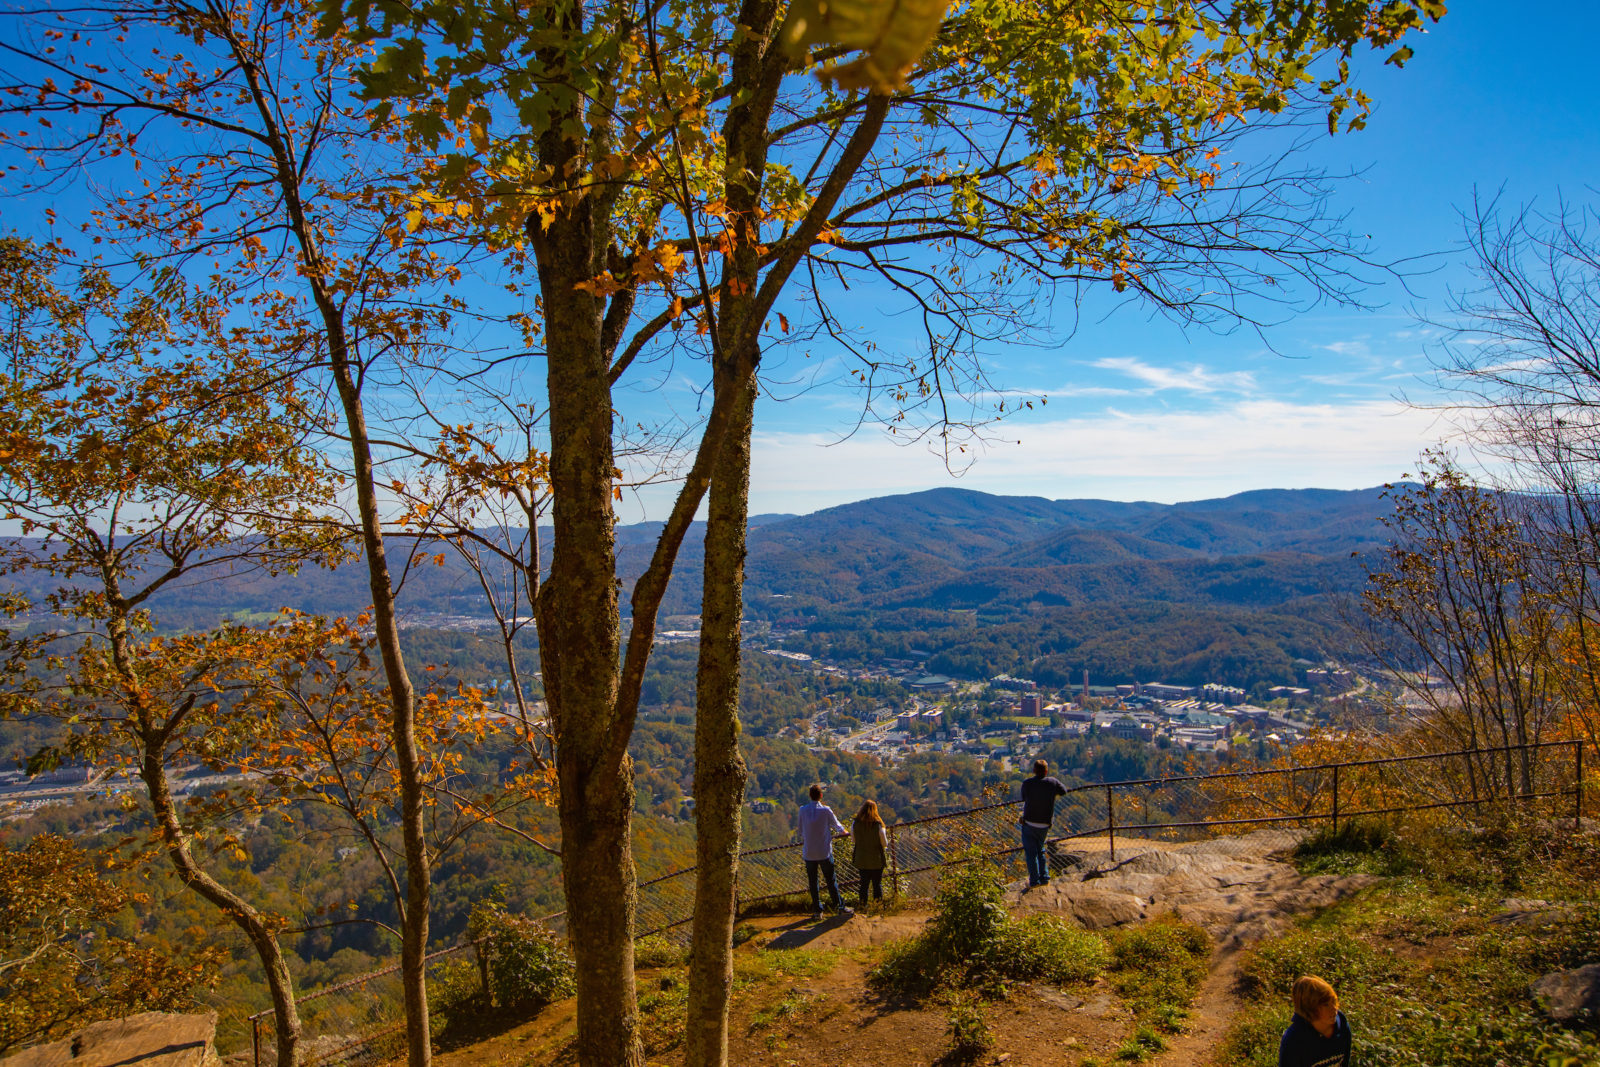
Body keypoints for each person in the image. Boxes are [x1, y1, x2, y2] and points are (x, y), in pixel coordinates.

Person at [797, 784, 852, 921]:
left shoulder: (802, 810)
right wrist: (844, 832)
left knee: (813, 882)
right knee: (830, 879)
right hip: (824, 851)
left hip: (809, 852)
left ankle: (817, 911)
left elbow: (800, 830)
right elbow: (837, 825)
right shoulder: (826, 810)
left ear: (810, 795)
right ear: (821, 795)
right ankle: (839, 906)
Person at [1278, 975, 1352, 1067]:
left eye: (1333, 1001)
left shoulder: (1342, 1023)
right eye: (1326, 1005)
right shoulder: (1294, 1039)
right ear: (1310, 1008)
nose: (1334, 1009)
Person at [1019, 758, 1067, 887]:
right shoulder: (1052, 782)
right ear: (1046, 771)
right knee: (1040, 849)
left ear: (1034, 770)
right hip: (1045, 823)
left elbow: (1023, 797)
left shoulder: (1027, 783)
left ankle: (1034, 881)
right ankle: (1044, 877)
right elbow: (1064, 791)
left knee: (1031, 853)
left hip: (1029, 822)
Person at [851, 799, 889, 906]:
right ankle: (877, 905)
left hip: (861, 858)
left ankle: (863, 905)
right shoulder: (878, 825)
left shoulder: (855, 823)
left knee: (864, 884)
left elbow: (853, 840)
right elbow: (884, 843)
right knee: (877, 884)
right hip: (876, 859)